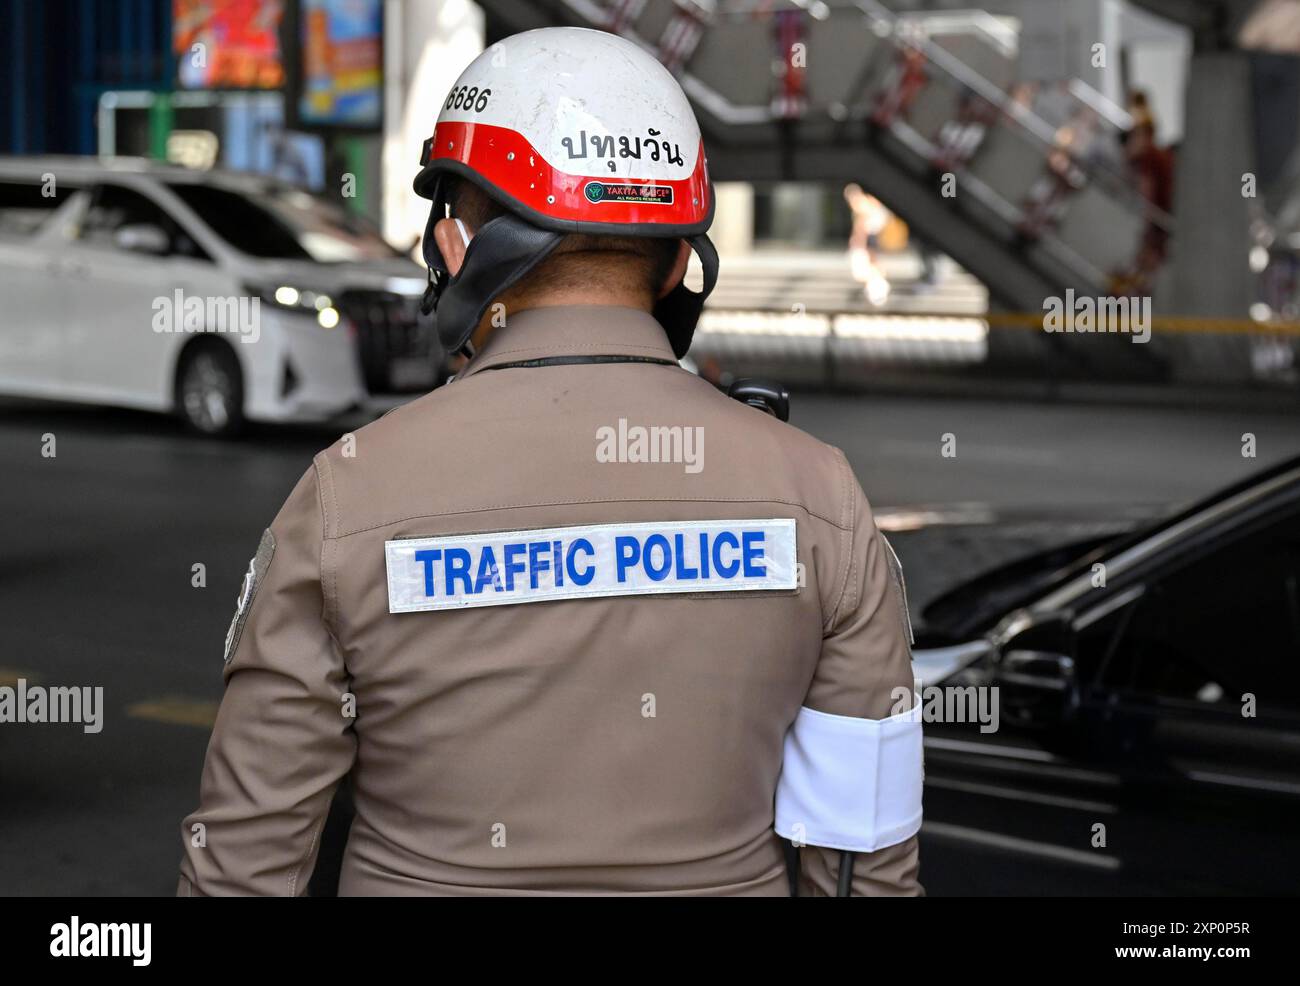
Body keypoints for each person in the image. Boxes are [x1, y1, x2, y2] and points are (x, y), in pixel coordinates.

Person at [177, 26, 922, 897]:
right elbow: (865, 867)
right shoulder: (821, 499)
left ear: (455, 249)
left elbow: (243, 867)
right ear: (681, 258)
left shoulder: (347, 496)